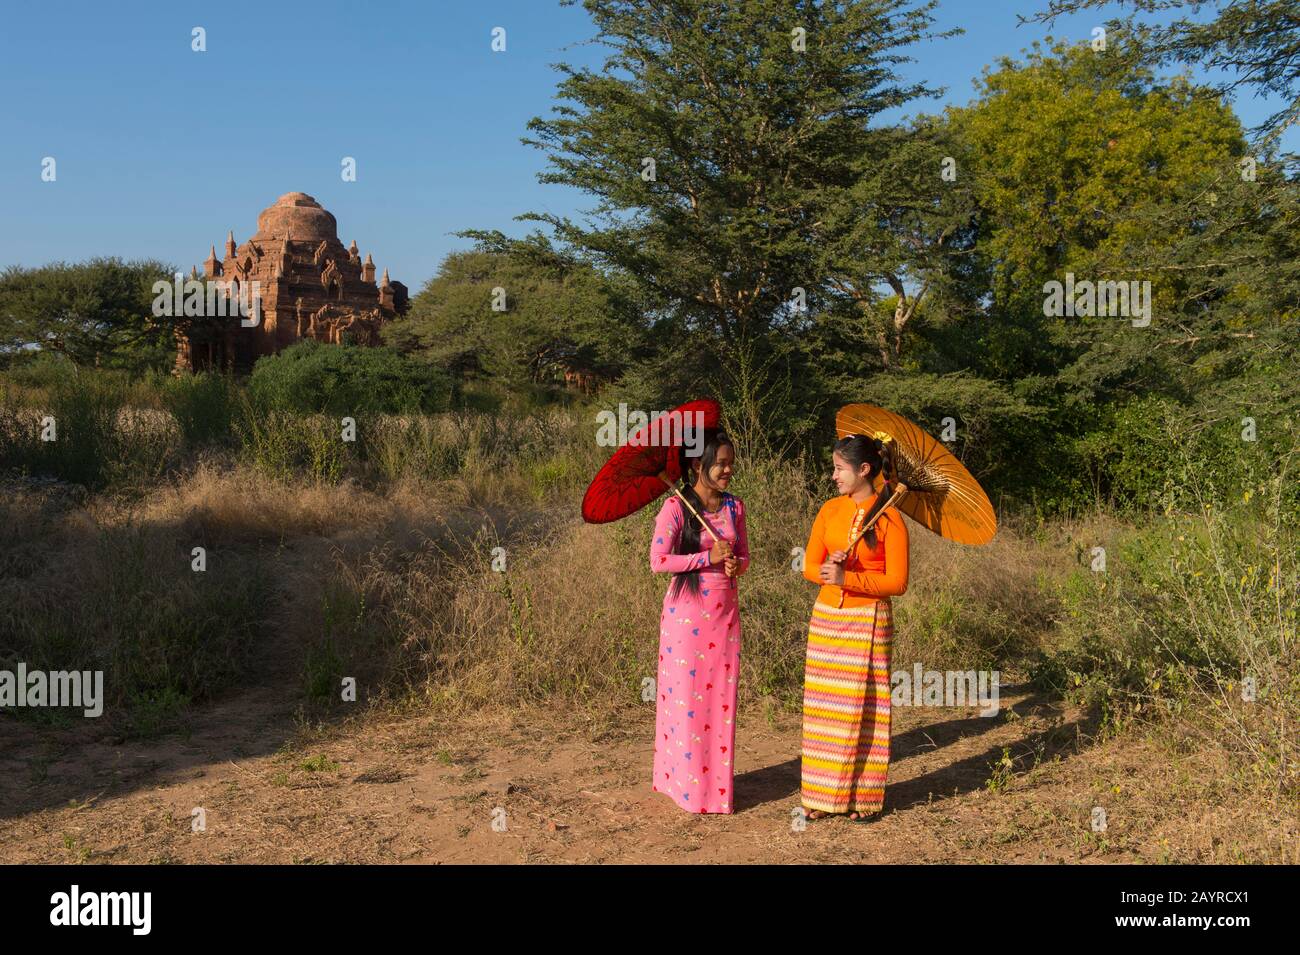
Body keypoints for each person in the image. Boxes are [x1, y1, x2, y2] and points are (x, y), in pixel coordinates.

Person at [799, 433, 909, 821]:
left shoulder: (891, 517)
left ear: (864, 470)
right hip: (828, 619)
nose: (833, 476)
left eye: (839, 469)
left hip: (869, 621)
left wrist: (851, 579)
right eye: (833, 468)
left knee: (865, 710)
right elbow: (810, 566)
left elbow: (898, 582)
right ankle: (820, 797)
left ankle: (861, 798)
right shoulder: (829, 510)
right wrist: (830, 571)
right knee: (825, 711)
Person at [648, 429, 749, 813]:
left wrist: (735, 564)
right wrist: (704, 559)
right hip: (686, 622)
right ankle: (686, 789)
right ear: (697, 464)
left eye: (730, 463)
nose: (727, 470)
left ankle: (715, 790)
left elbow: (745, 557)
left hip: (725, 618)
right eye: (720, 463)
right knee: (686, 702)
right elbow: (658, 562)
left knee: (720, 701)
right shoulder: (676, 508)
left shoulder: (735, 507)